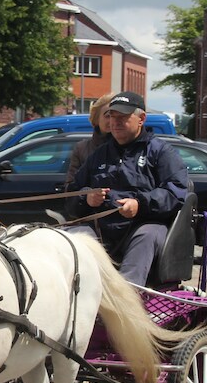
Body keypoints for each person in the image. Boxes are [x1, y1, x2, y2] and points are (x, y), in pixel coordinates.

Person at [67, 92, 190, 286]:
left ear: (141, 119)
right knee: (72, 236)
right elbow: (72, 195)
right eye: (111, 116)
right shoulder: (99, 155)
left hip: (144, 226)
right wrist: (86, 198)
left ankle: (127, 295)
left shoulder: (160, 152)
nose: (115, 122)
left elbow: (175, 192)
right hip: (102, 229)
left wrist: (140, 204)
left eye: (123, 117)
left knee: (146, 235)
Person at [65, 91, 117, 185]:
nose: (112, 121)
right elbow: (70, 186)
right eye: (108, 116)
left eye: (117, 116)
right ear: (96, 119)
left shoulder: (129, 147)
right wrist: (88, 193)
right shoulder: (82, 149)